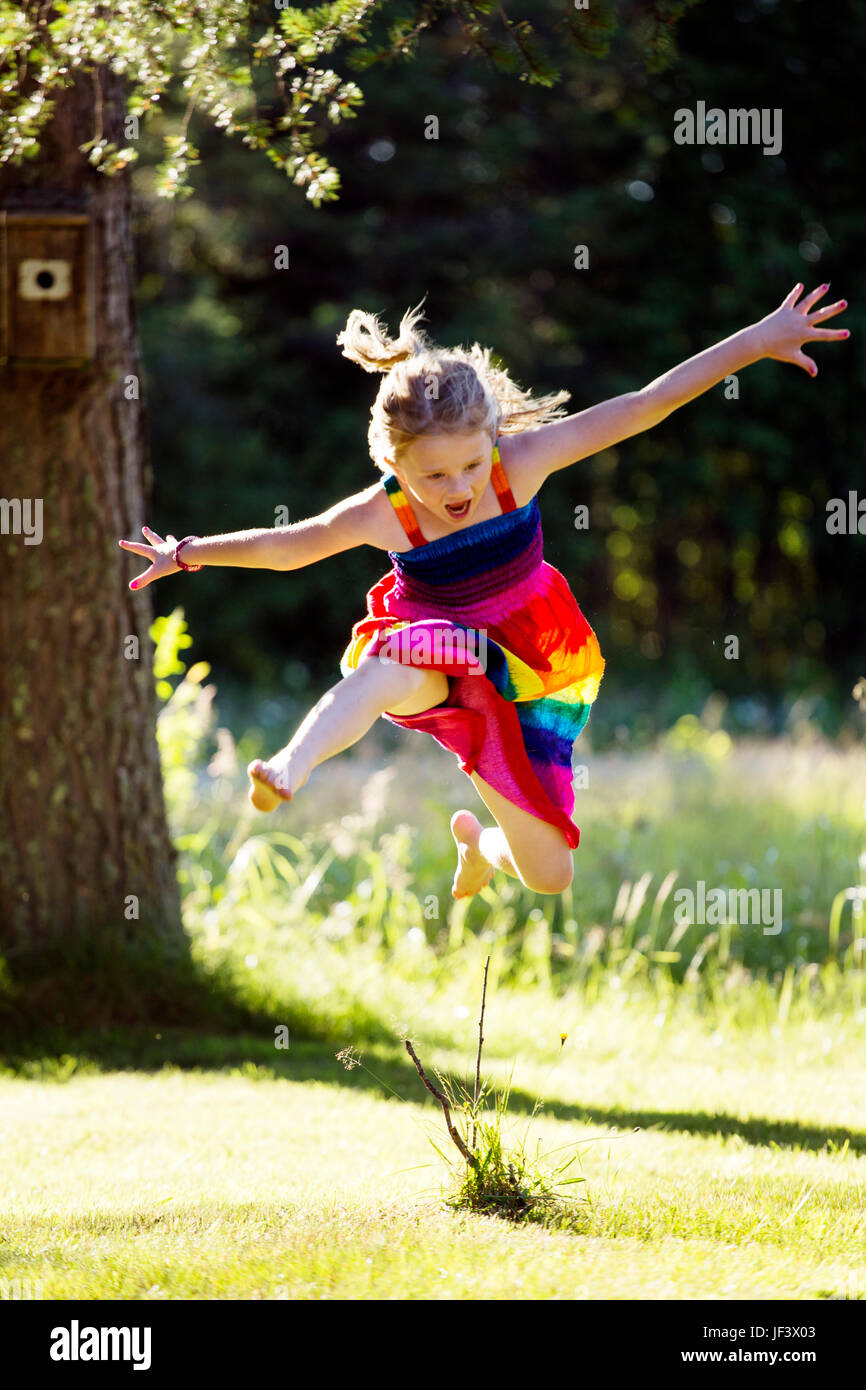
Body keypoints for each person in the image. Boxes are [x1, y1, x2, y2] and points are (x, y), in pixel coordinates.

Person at [120, 284, 849, 898]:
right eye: (434, 476)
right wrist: (184, 553)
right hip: (433, 646)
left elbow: (640, 405)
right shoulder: (384, 514)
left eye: (470, 465)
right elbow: (289, 548)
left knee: (550, 874)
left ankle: (482, 847)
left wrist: (754, 341)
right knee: (383, 669)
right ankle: (290, 765)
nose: (459, 488)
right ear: (392, 461)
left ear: (492, 440)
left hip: (528, 662)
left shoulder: (519, 466)